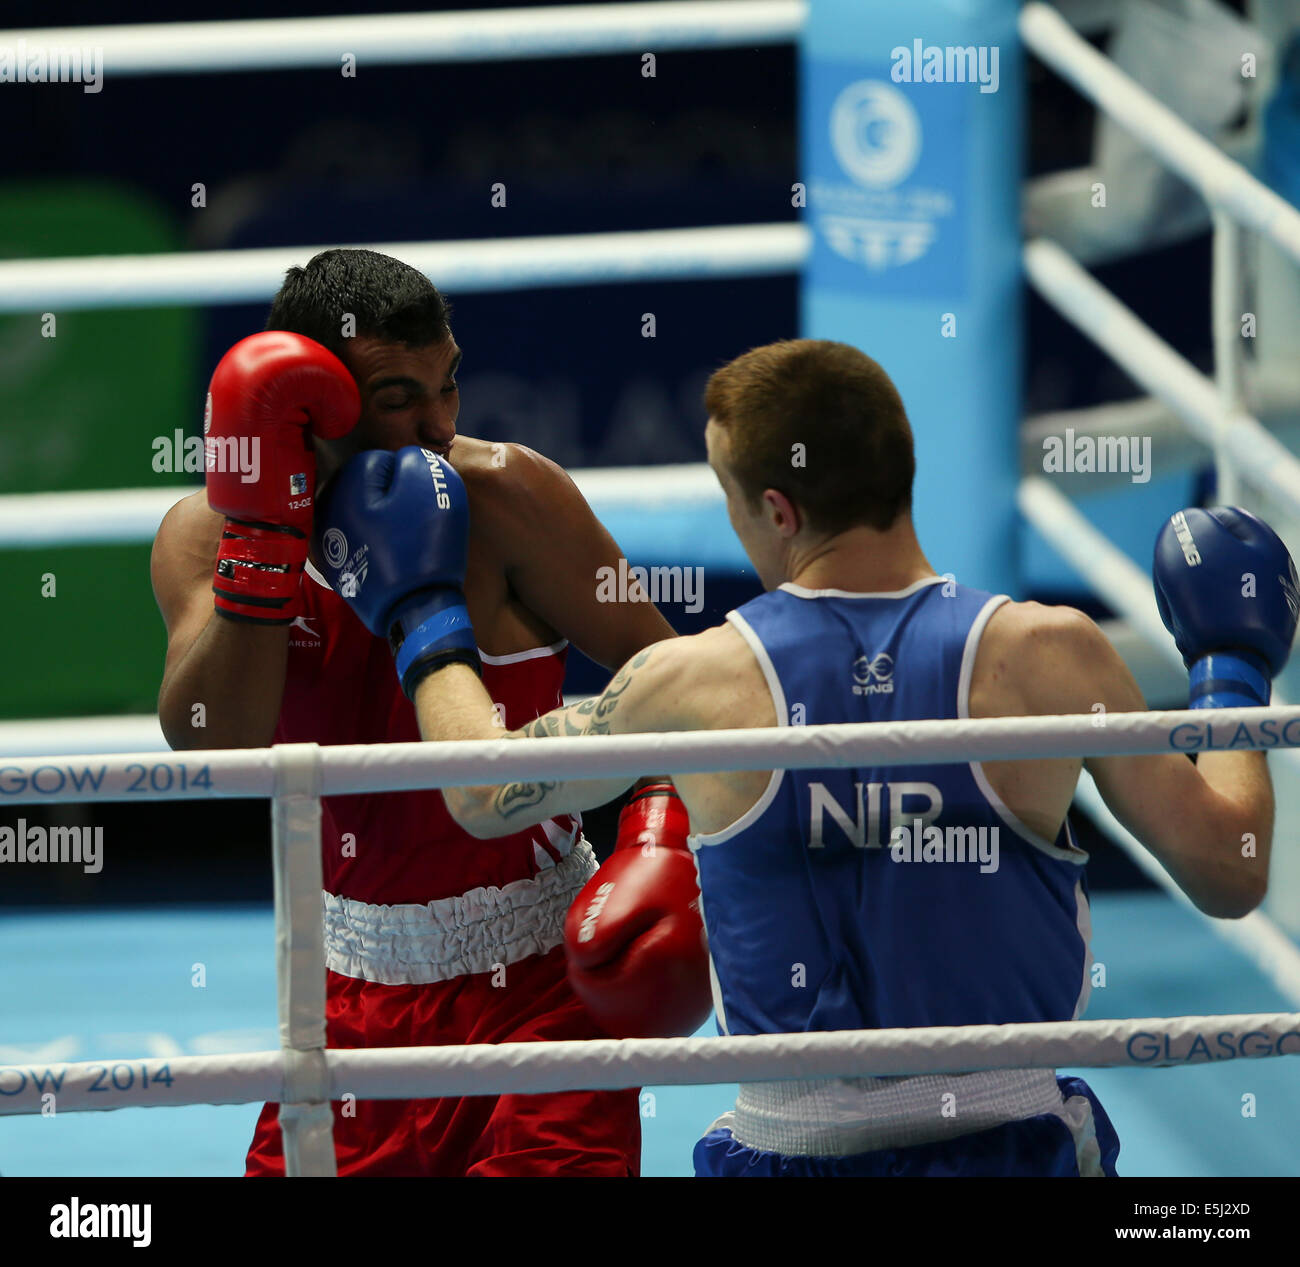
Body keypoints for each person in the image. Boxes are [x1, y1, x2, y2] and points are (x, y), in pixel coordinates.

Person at [311, 337, 1297, 1177]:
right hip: (1015, 1138)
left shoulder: (694, 684)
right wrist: (1229, 675)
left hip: (792, 1149)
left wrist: (424, 617)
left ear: (777, 511)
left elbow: (484, 796)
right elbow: (1228, 869)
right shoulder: (1049, 654)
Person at [149, 248, 709, 1177]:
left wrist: (658, 831)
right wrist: (269, 545)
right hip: (346, 1010)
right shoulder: (206, 537)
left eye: (449, 385)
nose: (440, 425)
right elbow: (213, 738)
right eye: (401, 396)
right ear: (311, 397)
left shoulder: (508, 496)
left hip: (544, 993)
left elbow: (677, 680)